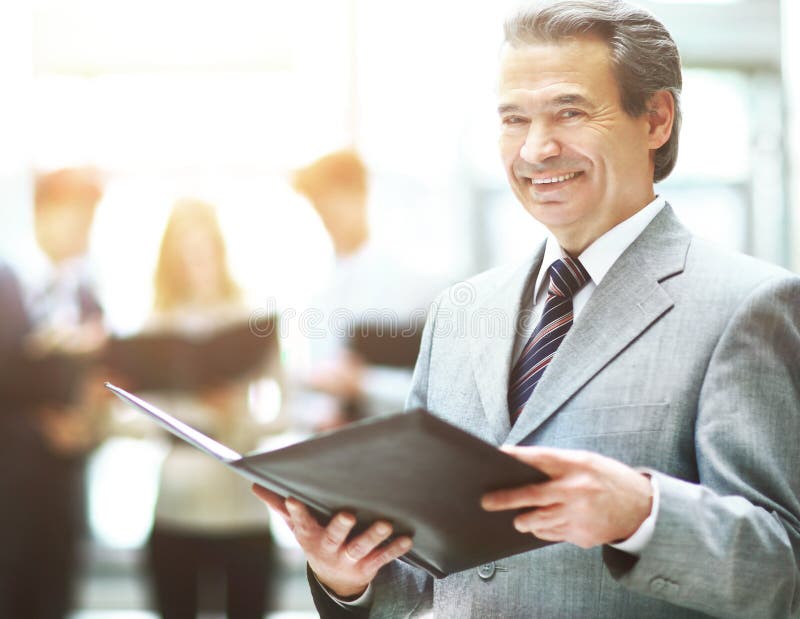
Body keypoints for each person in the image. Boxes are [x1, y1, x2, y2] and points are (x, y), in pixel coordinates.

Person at [254, 1, 800, 617]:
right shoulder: (461, 311)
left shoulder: (748, 306)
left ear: (656, 119)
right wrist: (345, 575)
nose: (537, 149)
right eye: (514, 119)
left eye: (569, 111)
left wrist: (641, 514)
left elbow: (782, 569)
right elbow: (416, 581)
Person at [127, 198, 286, 619]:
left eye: (204, 250)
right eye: (185, 253)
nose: (196, 263)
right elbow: (130, 417)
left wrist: (237, 415)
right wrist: (178, 411)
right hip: (175, 509)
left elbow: (286, 412)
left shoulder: (252, 319)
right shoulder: (154, 325)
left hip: (242, 511)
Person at [0, 167, 107, 619]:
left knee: (57, 598)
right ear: (46, 214)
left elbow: (102, 378)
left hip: (64, 491)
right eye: (79, 218)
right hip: (9, 490)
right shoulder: (7, 283)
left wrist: (88, 422)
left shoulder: (85, 296)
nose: (86, 232)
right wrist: (43, 419)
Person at [292, 150, 441, 429]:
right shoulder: (320, 295)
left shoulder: (414, 285)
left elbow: (437, 392)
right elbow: (318, 386)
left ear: (361, 195)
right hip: (336, 440)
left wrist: (364, 383)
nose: (328, 217)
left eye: (335, 202)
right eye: (319, 206)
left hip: (396, 436)